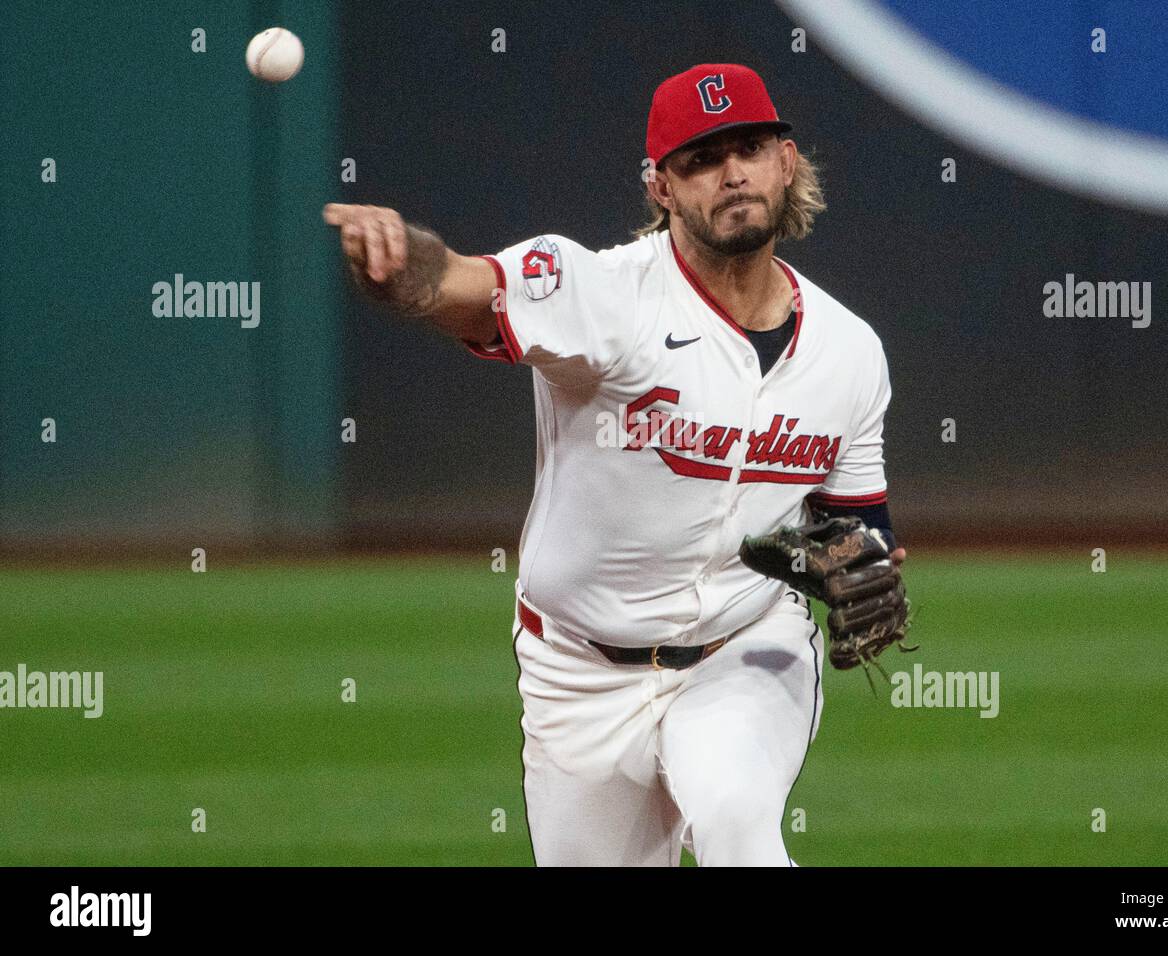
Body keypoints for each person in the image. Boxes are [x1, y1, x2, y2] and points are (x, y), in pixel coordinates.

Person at [324, 63, 906, 866]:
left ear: (787, 161)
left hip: (745, 650)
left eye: (749, 147)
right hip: (578, 670)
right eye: (701, 159)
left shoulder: (851, 351)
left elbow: (857, 531)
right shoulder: (600, 292)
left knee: (737, 822)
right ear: (661, 188)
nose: (731, 172)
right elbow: (466, 285)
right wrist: (402, 268)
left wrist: (855, 562)